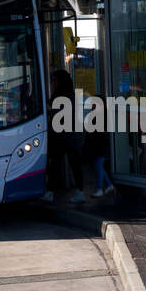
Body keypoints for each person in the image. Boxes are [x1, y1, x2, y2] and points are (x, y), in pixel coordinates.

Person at [45, 69, 86, 203]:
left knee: (59, 164)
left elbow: (58, 112)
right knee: (68, 164)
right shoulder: (70, 94)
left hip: (64, 135)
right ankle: (78, 191)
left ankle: (52, 192)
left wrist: (49, 110)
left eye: (55, 80)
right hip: (70, 135)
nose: (53, 83)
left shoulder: (61, 95)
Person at [84, 95, 117, 198]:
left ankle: (99, 188)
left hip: (100, 146)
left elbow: (94, 132)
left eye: (94, 103)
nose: (92, 105)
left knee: (98, 166)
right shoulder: (100, 115)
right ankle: (109, 185)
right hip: (99, 146)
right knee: (98, 166)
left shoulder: (100, 116)